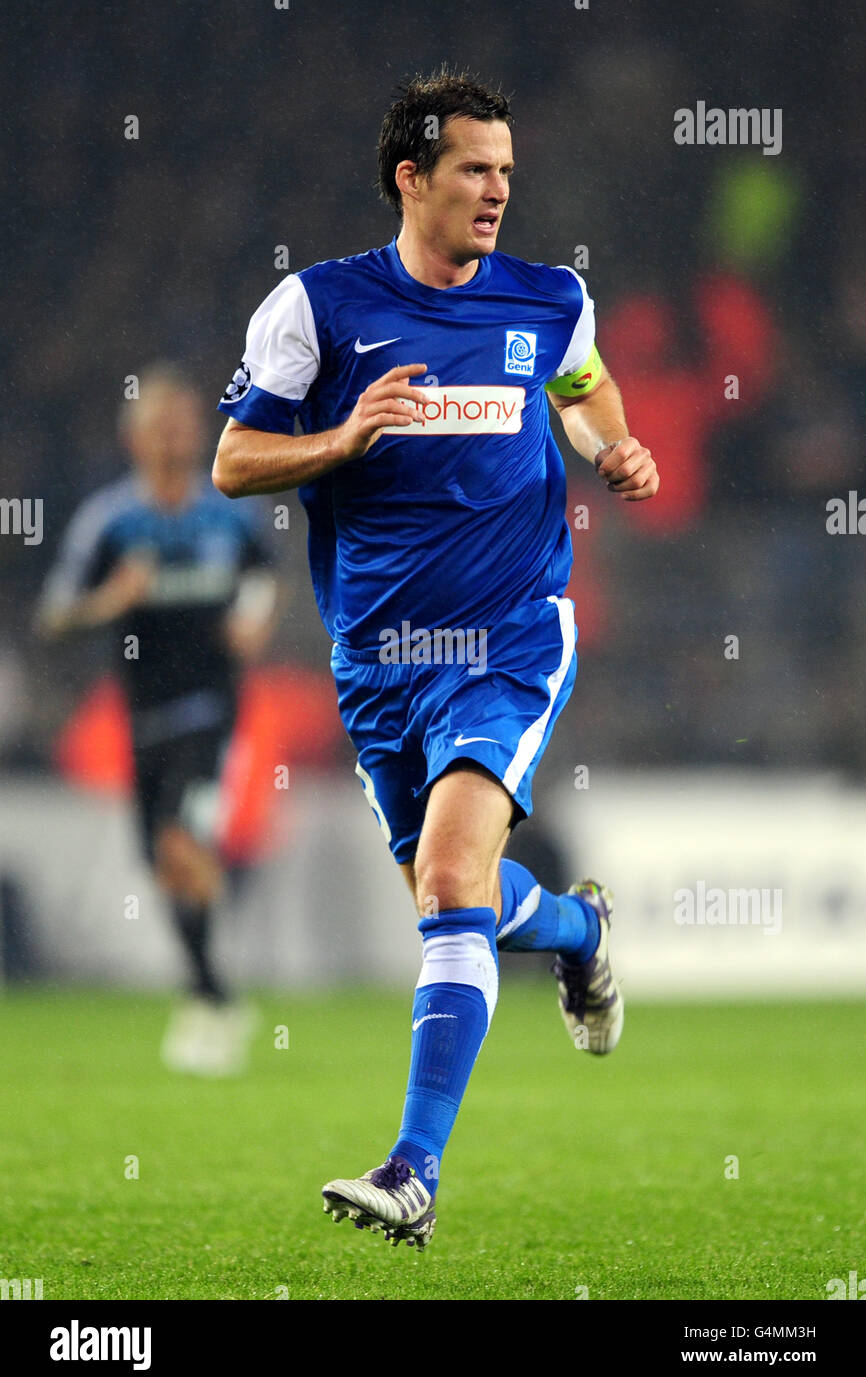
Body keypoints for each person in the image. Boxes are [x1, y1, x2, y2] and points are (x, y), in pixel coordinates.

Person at [213, 69, 659, 1246]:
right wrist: (342, 436)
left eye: (506, 168)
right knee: (450, 898)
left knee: (452, 886)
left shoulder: (546, 297)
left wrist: (612, 447)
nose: (497, 189)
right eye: (473, 168)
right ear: (410, 179)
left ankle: (412, 1171)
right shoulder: (313, 309)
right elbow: (234, 460)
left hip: (506, 635)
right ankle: (577, 931)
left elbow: (582, 388)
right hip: (374, 661)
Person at [36, 363, 278, 1076]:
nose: (174, 438)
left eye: (183, 424)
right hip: (141, 718)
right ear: (134, 437)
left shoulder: (230, 511)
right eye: (160, 425)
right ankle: (211, 994)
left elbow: (266, 574)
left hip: (213, 711)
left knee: (178, 837)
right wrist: (110, 601)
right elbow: (52, 617)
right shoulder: (111, 521)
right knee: (163, 863)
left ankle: (212, 997)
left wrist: (254, 619)